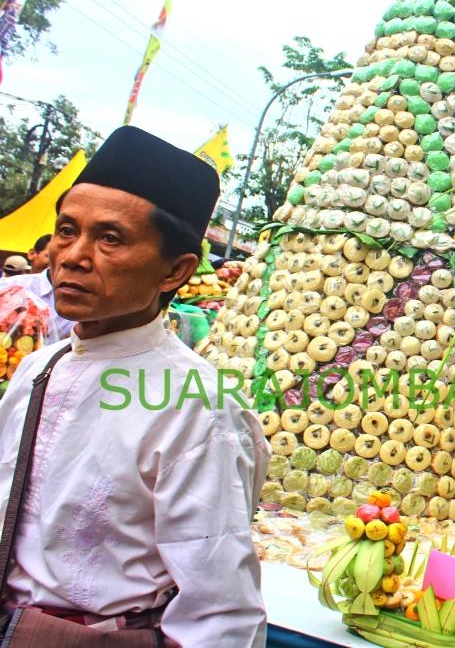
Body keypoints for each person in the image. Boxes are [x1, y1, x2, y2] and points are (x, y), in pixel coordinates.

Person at [0, 126, 269, 646]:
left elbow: (220, 615)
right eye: (66, 230)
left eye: (110, 239)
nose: (73, 256)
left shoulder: (196, 409)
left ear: (176, 272)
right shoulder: (40, 368)